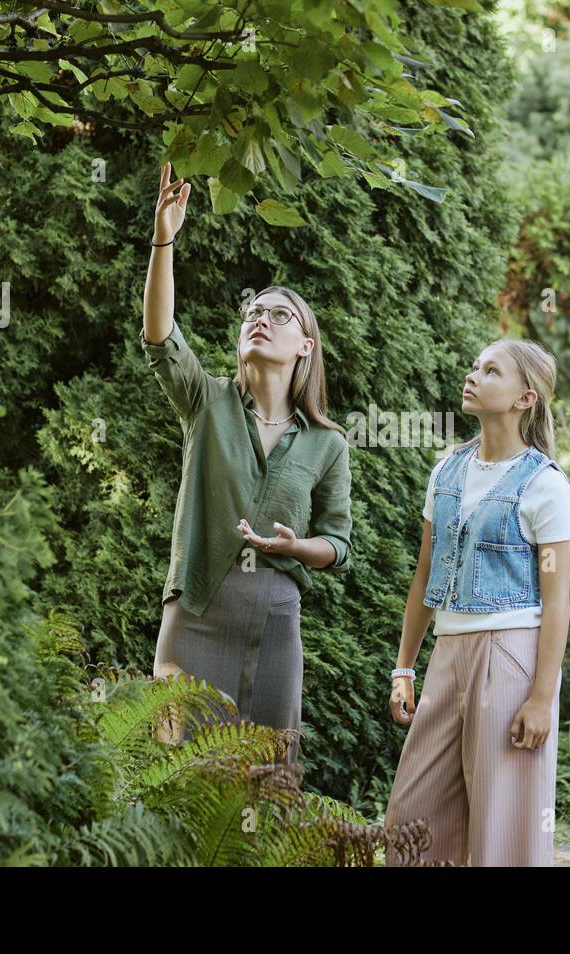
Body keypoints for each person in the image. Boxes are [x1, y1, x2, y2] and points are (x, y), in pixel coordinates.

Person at [142, 163, 353, 766]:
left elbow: (340, 545)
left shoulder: (328, 443)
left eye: (278, 314)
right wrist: (165, 238)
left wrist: (295, 547)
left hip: (277, 620)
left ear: (305, 346)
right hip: (199, 611)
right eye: (251, 314)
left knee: (267, 781)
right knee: (180, 776)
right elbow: (159, 336)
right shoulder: (205, 402)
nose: (259, 319)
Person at [384, 339, 570, 866]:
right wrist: (404, 667)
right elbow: (426, 573)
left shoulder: (545, 484)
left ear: (524, 399)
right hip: (448, 655)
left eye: (491, 371)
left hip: (511, 657)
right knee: (410, 820)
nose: (473, 376)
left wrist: (542, 698)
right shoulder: (447, 472)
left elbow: (558, 603)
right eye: (476, 367)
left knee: (500, 827)